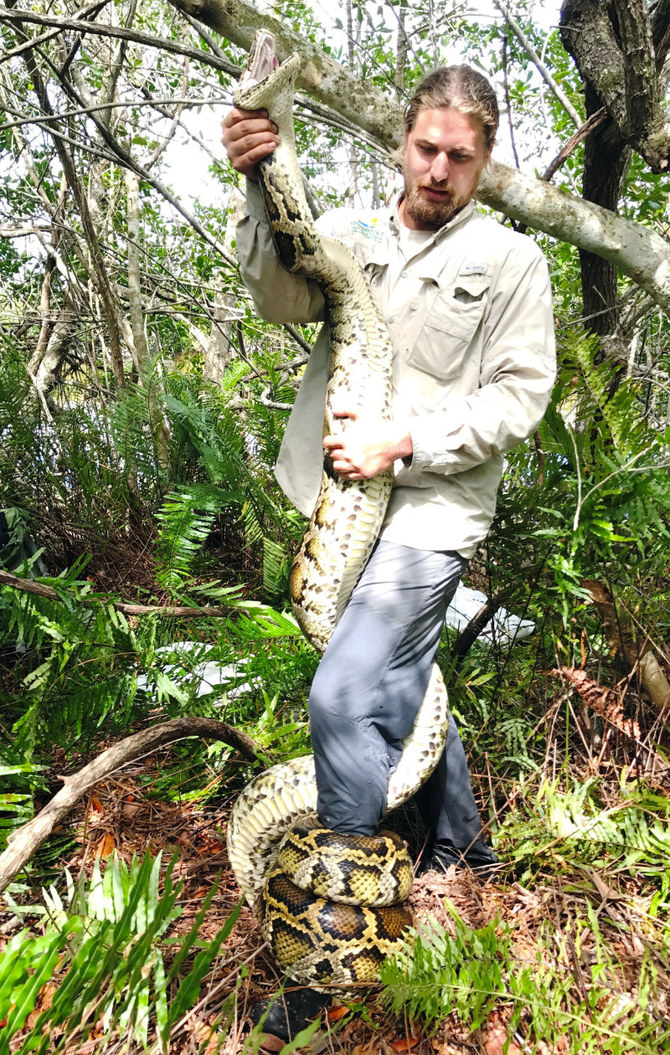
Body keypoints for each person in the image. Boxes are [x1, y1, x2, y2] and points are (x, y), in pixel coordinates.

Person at [221, 65, 555, 878]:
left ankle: (337, 929)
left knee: (345, 695)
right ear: (403, 141)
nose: (439, 170)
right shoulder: (351, 228)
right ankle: (466, 855)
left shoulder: (511, 262)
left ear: (486, 161)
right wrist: (258, 187)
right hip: (339, 504)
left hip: (430, 513)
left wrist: (400, 440)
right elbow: (278, 300)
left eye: (461, 158)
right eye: (426, 148)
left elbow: (520, 400)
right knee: (398, 680)